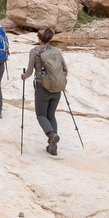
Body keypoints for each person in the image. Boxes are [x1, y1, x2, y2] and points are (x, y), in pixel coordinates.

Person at [21, 27, 68, 155]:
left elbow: (29, 72)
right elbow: (65, 68)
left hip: (42, 87)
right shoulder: (56, 50)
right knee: (51, 115)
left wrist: (23, 76)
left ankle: (51, 135)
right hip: (57, 88)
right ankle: (52, 144)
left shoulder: (35, 51)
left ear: (39, 38)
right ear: (50, 38)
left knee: (41, 115)